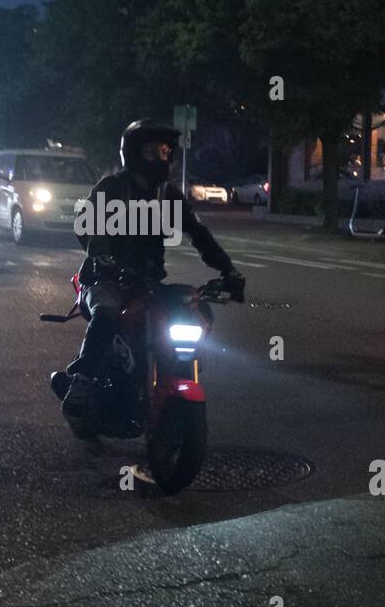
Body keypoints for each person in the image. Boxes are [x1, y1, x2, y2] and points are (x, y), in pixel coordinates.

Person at [51, 119, 244, 413]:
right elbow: (89, 225)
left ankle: (167, 372)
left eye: (166, 152)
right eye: (154, 151)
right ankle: (81, 379)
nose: (162, 158)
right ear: (133, 153)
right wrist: (101, 255)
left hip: (148, 282)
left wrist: (228, 270)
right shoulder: (112, 188)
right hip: (105, 279)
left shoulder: (167, 195)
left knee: (192, 309)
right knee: (107, 313)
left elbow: (198, 234)